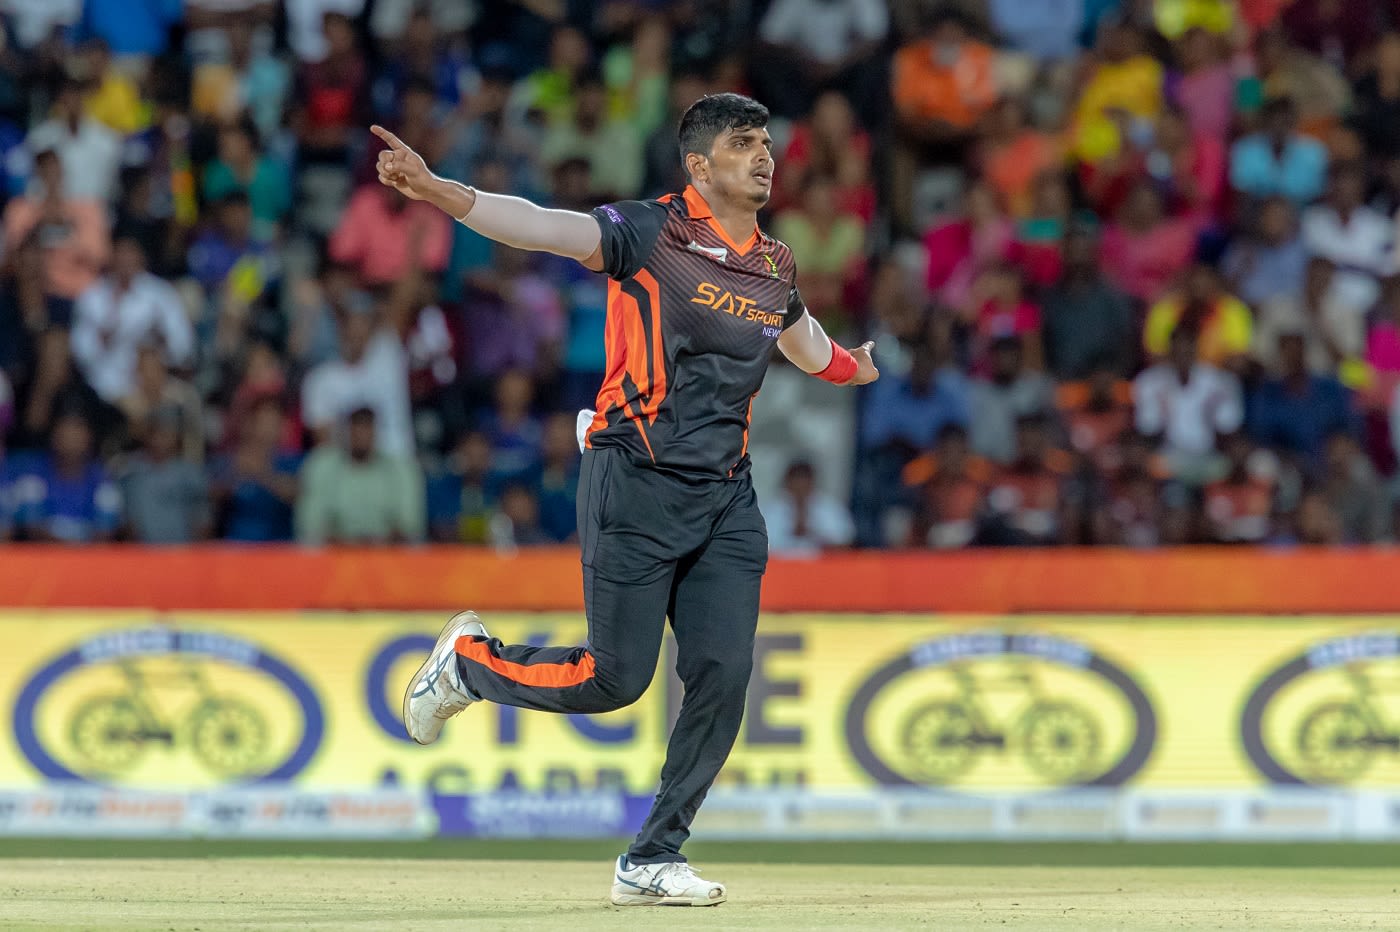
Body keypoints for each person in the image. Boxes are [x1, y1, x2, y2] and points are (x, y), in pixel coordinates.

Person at [378, 92, 877, 906]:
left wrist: (852, 367)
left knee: (722, 674)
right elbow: (541, 225)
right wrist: (442, 192)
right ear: (698, 165)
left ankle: (652, 857)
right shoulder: (649, 232)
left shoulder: (776, 264)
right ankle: (468, 666)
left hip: (725, 499)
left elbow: (802, 338)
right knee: (615, 681)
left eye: (766, 143)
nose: (764, 157)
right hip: (633, 483)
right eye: (743, 143)